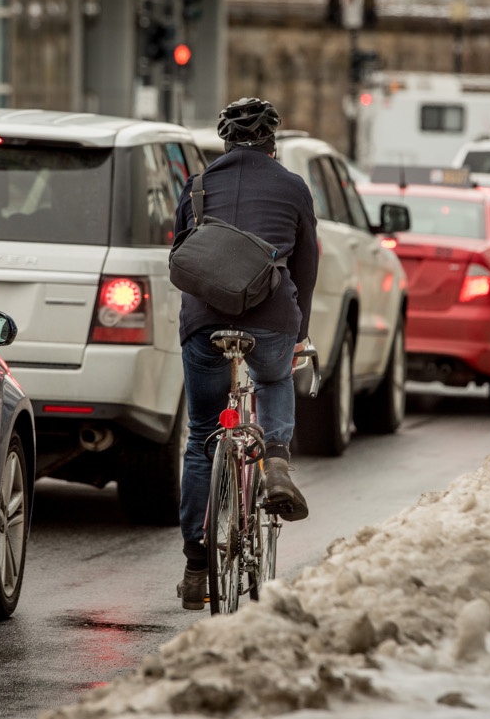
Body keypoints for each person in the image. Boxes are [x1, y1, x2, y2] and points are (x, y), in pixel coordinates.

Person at [173, 97, 319, 610]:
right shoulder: (293, 187)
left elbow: (182, 256)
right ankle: (276, 460)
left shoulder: (197, 186)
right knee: (276, 378)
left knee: (201, 435)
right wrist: (299, 327)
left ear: (225, 140)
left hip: (205, 319)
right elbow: (306, 263)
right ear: (272, 141)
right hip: (272, 316)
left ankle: (196, 567)